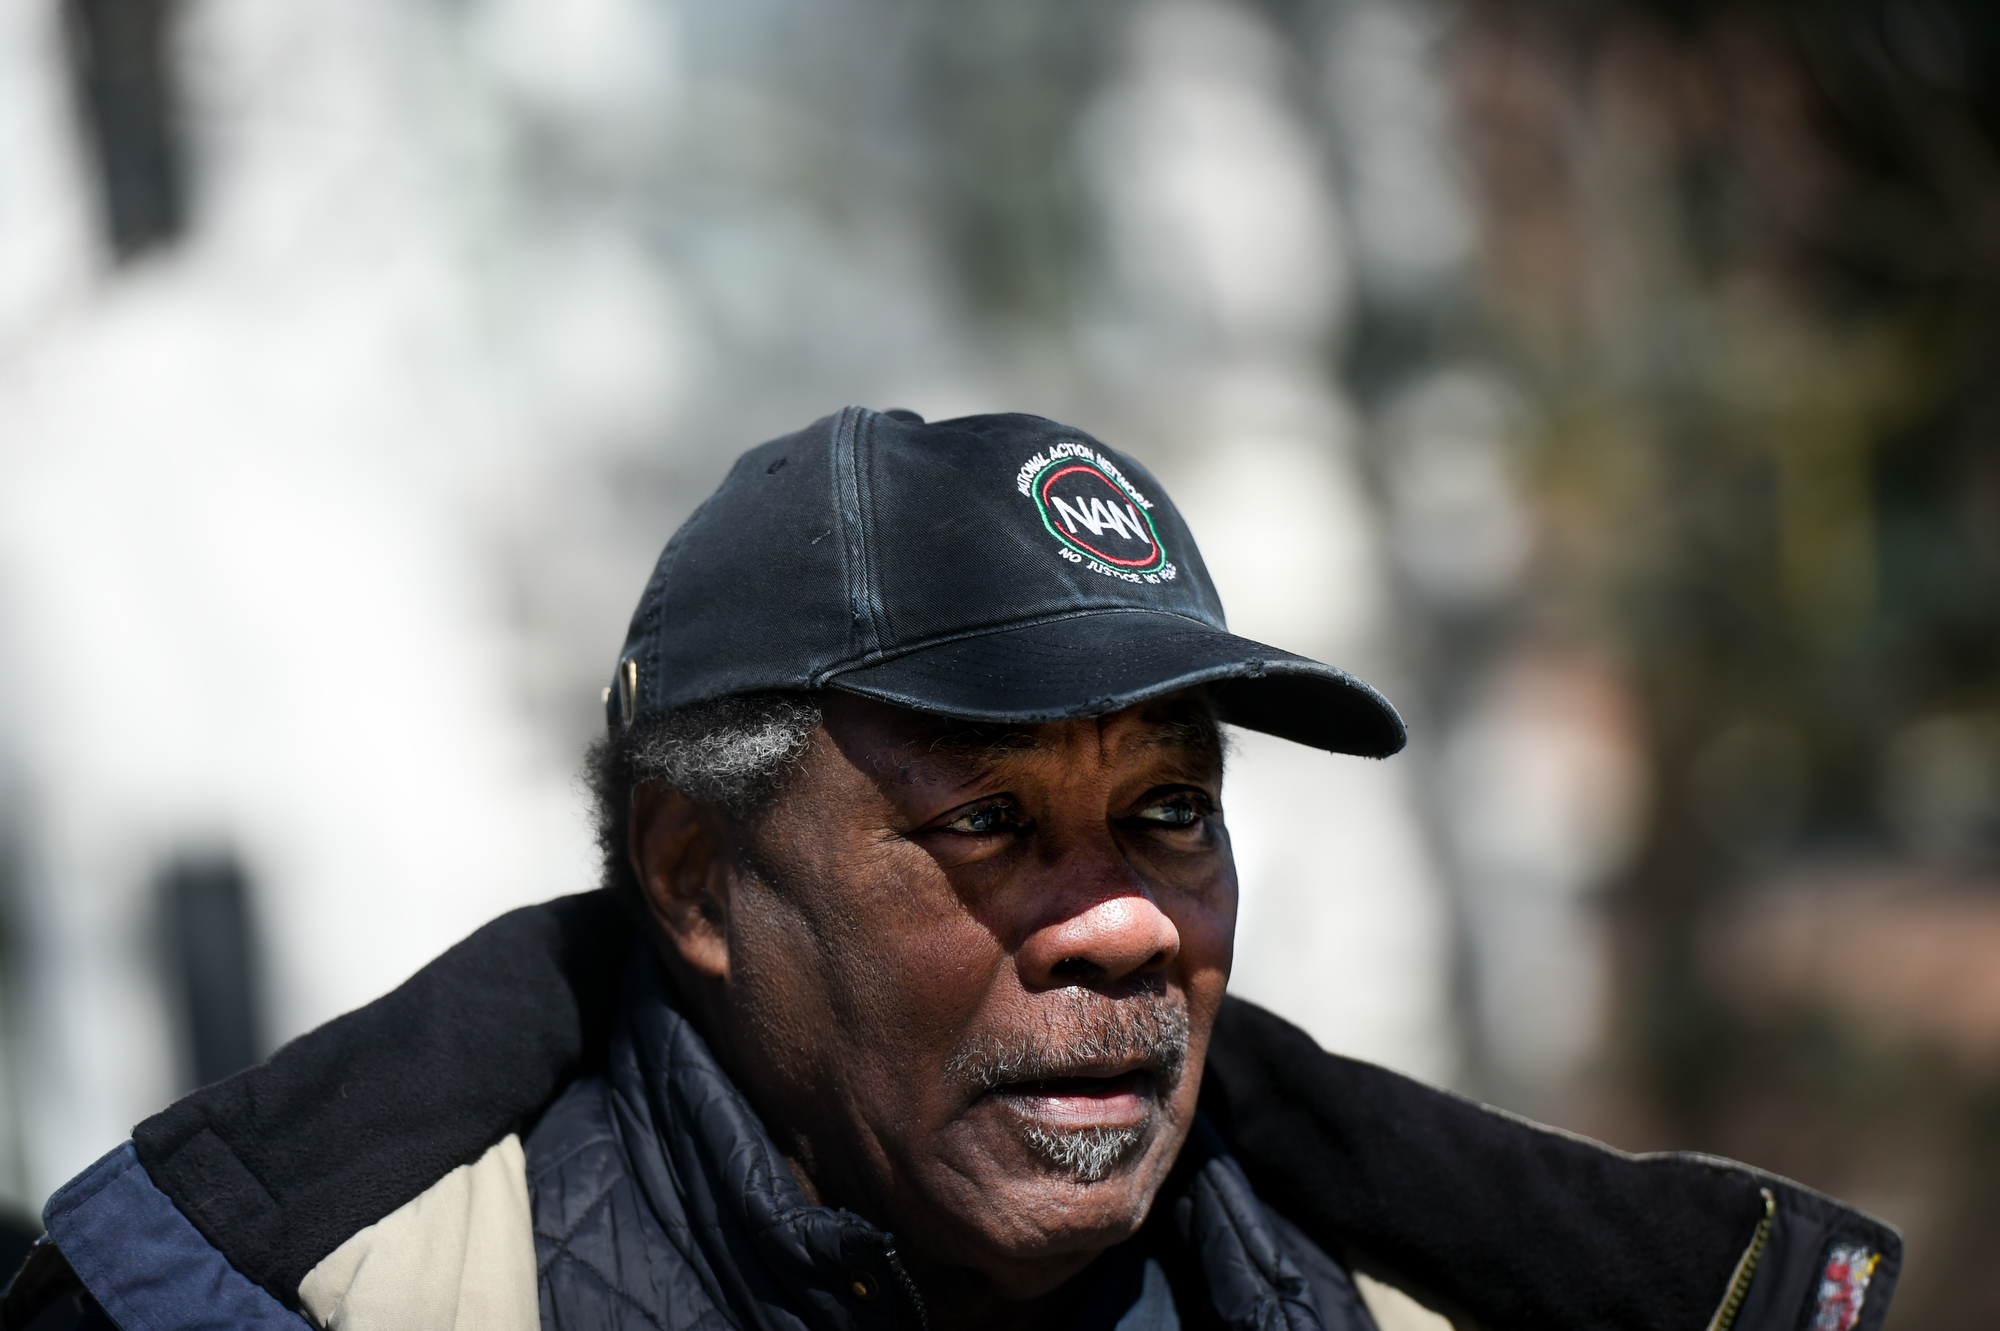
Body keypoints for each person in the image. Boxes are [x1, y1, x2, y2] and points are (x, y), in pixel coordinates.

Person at [6, 410, 1898, 1331]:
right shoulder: (335, 1295)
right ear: (694, 879)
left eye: (1171, 811)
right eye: (986, 822)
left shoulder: (1420, 1296)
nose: (1134, 918)